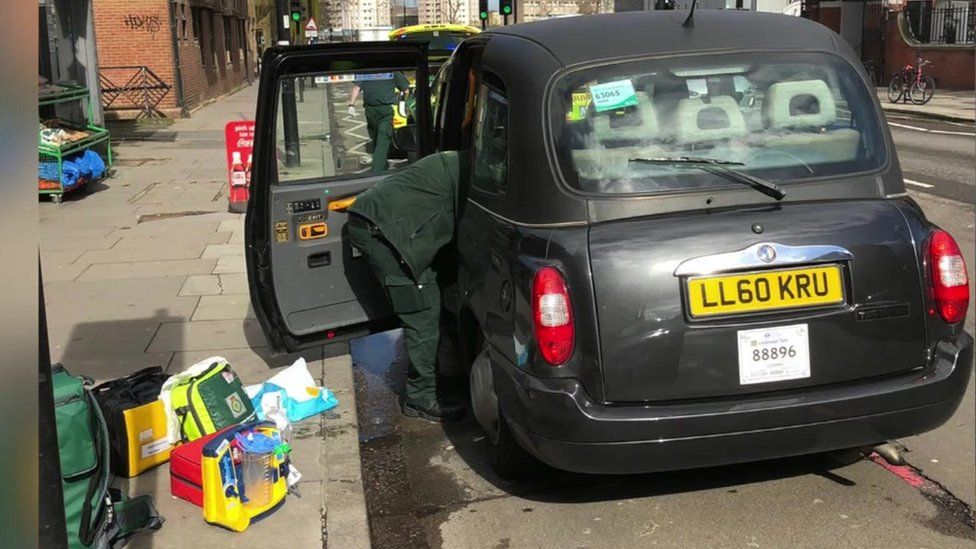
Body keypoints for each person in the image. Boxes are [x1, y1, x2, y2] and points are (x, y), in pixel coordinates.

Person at [346, 150, 469, 422]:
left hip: (381, 220)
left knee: (433, 295)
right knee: (422, 312)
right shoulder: (474, 175)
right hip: (383, 232)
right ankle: (420, 397)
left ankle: (438, 374)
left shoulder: (463, 161)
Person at [347, 72, 410, 172]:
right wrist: (402, 100)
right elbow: (406, 90)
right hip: (385, 110)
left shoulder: (366, 71)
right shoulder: (392, 72)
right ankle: (377, 170)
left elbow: (357, 87)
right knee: (382, 141)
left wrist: (351, 105)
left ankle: (382, 164)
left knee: (376, 138)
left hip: (370, 110)